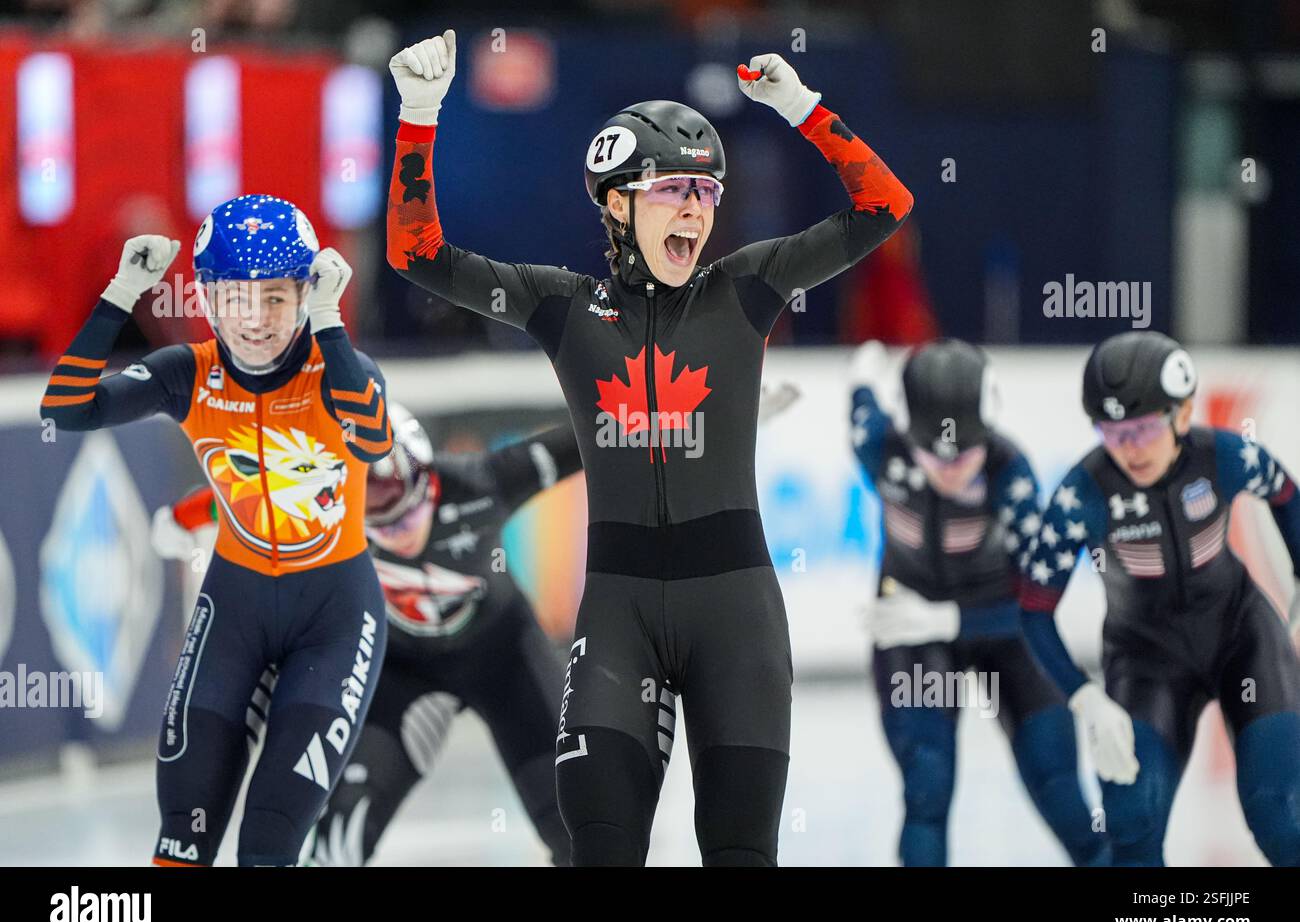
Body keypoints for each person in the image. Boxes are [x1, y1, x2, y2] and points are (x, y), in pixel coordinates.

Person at [384, 30, 913, 865]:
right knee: (599, 846)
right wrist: (419, 116)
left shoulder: (749, 287)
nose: (697, 208)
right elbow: (416, 257)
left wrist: (804, 111)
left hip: (734, 614)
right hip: (618, 612)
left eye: (707, 190)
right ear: (617, 204)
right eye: (673, 189)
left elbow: (886, 207)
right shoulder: (560, 306)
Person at [40, 194, 393, 866]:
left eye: (276, 299)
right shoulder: (190, 373)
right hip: (234, 607)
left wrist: (330, 326)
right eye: (233, 299)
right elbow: (68, 408)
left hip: (335, 620)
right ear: (204, 299)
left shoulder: (337, 373)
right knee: (182, 838)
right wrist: (120, 295)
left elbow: (372, 442)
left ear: (305, 295)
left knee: (267, 846)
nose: (254, 320)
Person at [154, 404, 582, 865]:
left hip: (506, 661)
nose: (386, 517)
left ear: (423, 473)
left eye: (390, 492)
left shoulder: (485, 480)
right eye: (365, 500)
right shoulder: (322, 512)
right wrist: (181, 519)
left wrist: (657, 424)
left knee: (576, 820)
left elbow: (585, 439)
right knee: (340, 836)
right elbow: (245, 501)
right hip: (403, 672)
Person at [1020, 331, 1300, 866]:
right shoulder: (1083, 495)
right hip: (1148, 664)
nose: (1129, 448)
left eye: (1144, 428)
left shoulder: (1223, 455)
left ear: (1183, 411)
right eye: (1111, 432)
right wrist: (1084, 697)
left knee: (1280, 812)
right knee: (1132, 821)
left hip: (1244, 640)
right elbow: (1034, 612)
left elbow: (1286, 494)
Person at [850, 340, 1107, 866]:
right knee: (928, 786)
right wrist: (864, 368)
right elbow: (861, 392)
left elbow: (1040, 602)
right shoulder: (877, 442)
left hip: (1003, 630)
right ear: (905, 430)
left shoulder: (1010, 472)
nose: (949, 468)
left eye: (966, 452)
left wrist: (948, 617)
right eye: (931, 453)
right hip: (912, 635)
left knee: (1062, 794)